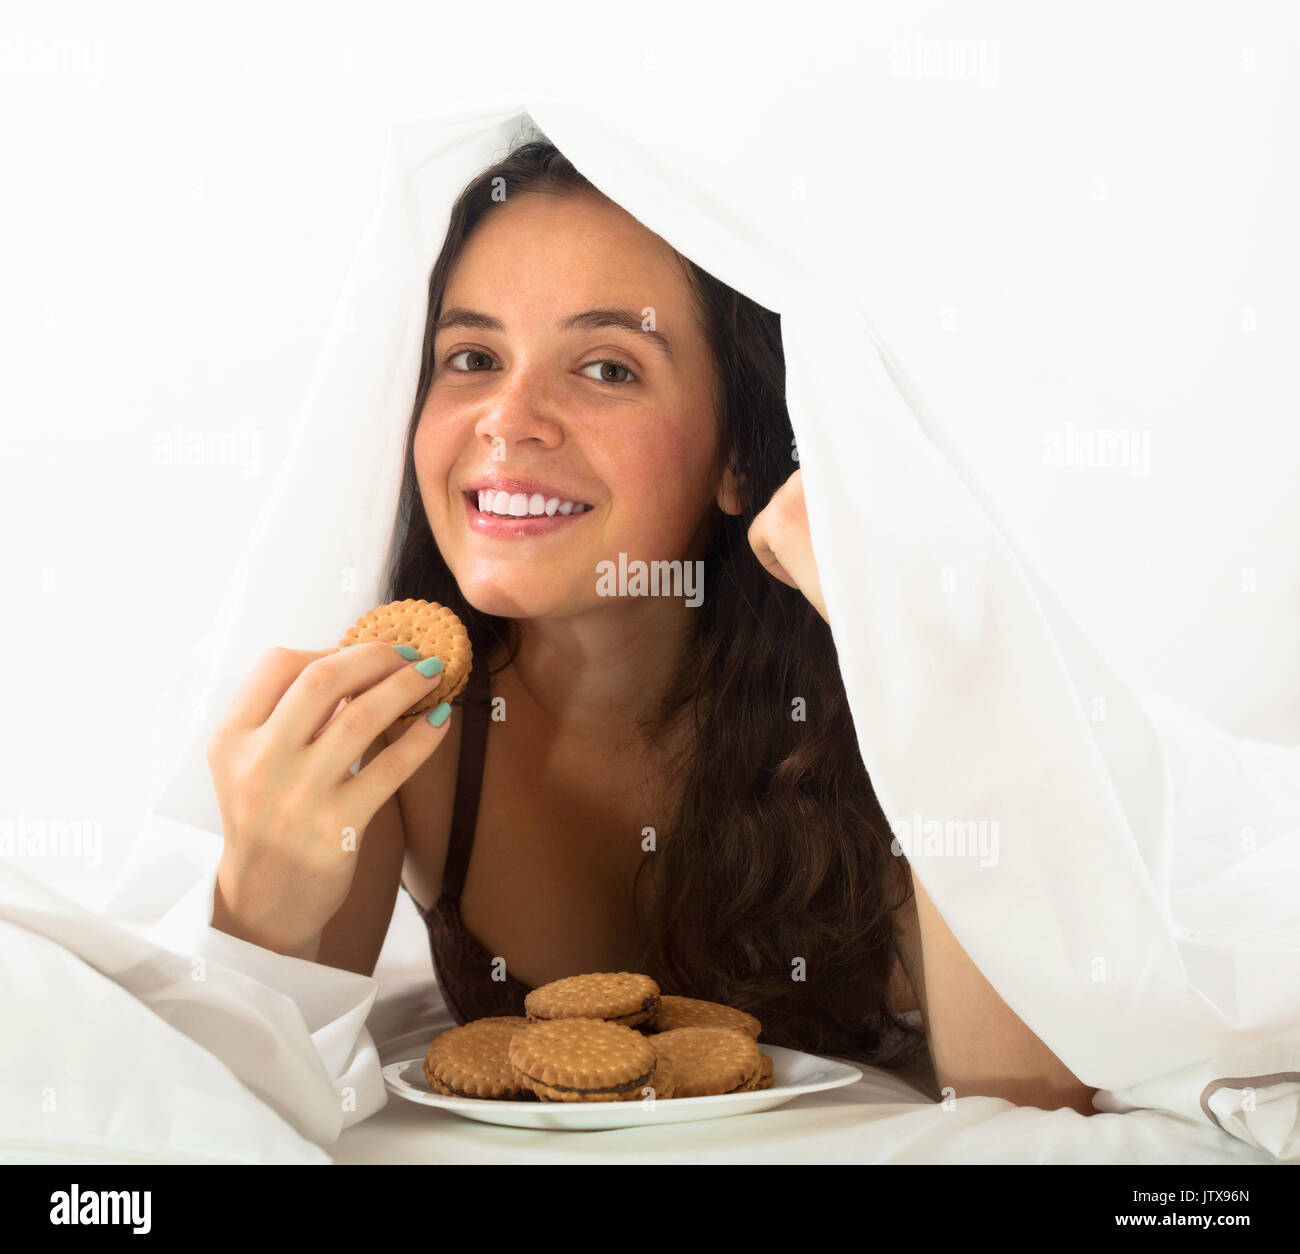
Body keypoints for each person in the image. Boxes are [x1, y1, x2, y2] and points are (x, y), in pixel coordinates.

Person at [207, 138, 1096, 1114]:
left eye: (604, 366)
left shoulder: (864, 712)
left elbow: (1029, 1116)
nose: (507, 419)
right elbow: (248, 1109)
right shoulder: (389, 723)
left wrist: (924, 674)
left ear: (739, 461)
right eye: (471, 357)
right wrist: (254, 905)